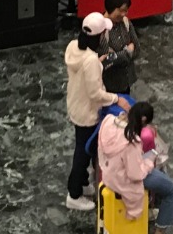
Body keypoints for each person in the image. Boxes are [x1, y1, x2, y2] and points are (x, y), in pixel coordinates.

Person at [64, 12, 129, 211]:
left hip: (76, 105)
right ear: (99, 37)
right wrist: (116, 98)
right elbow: (95, 93)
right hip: (87, 112)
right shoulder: (90, 60)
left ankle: (83, 183)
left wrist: (97, 64)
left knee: (82, 147)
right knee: (83, 153)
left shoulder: (73, 47)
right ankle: (74, 194)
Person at [97, 101, 173, 232]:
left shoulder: (108, 121)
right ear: (144, 120)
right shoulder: (132, 141)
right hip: (125, 179)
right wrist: (149, 162)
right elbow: (136, 175)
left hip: (109, 173)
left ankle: (151, 209)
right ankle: (160, 230)